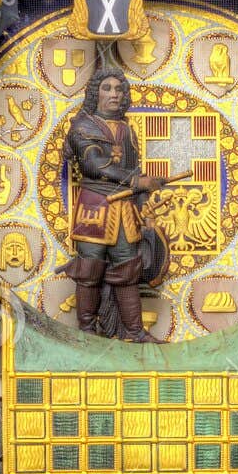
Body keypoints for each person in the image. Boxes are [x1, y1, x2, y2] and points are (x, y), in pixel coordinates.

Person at [66, 68, 163, 342]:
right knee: (90, 269)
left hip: (124, 209)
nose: (114, 94)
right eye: (107, 88)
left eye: (119, 89)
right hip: (95, 205)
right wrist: (138, 182)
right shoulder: (82, 127)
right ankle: (86, 330)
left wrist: (144, 202)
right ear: (95, 92)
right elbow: (94, 165)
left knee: (127, 267)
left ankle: (134, 331)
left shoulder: (127, 130)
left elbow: (135, 168)